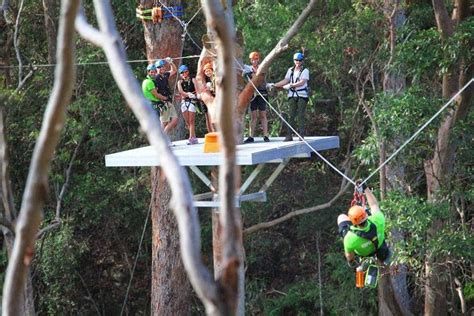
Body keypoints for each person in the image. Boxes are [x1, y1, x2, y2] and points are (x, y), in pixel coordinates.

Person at [337, 182, 391, 267]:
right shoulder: (378, 220)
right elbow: (373, 205)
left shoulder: (349, 238)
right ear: (366, 215)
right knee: (385, 252)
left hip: (363, 253)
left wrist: (350, 261)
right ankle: (385, 260)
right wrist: (365, 188)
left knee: (341, 217)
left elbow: (349, 256)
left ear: (352, 222)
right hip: (379, 246)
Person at [273, 52, 309, 141]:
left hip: (301, 95)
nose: (298, 62)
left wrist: (291, 85)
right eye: (296, 60)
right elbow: (286, 80)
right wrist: (275, 85)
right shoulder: (290, 70)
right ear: (294, 60)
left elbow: (302, 82)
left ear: (302, 61)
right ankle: (289, 135)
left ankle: (301, 134)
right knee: (291, 115)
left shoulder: (305, 71)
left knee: (301, 115)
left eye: (300, 60)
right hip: (292, 95)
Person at [243, 51, 270, 143]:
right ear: (250, 60)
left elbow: (259, 77)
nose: (254, 61)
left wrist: (252, 72)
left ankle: (265, 135)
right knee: (253, 116)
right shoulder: (248, 68)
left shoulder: (262, 68)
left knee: (263, 114)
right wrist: (246, 72)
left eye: (256, 60)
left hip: (261, 92)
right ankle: (251, 136)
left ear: (258, 60)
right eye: (252, 60)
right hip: (253, 94)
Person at [154, 57, 178, 134]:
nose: (161, 68)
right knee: (164, 123)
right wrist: (161, 100)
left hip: (168, 101)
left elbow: (174, 70)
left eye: (162, 66)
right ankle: (162, 139)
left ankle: (163, 138)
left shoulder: (165, 75)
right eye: (159, 67)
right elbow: (155, 92)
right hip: (163, 102)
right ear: (156, 69)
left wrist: (171, 62)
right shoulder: (156, 78)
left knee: (174, 120)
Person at [177, 65, 199, 145]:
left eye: (185, 72)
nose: (183, 74)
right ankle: (194, 136)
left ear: (187, 72)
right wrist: (187, 94)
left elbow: (197, 90)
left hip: (192, 101)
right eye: (181, 73)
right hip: (184, 102)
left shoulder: (193, 80)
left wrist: (194, 95)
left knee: (191, 120)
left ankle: (191, 138)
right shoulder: (179, 82)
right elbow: (181, 92)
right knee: (187, 122)